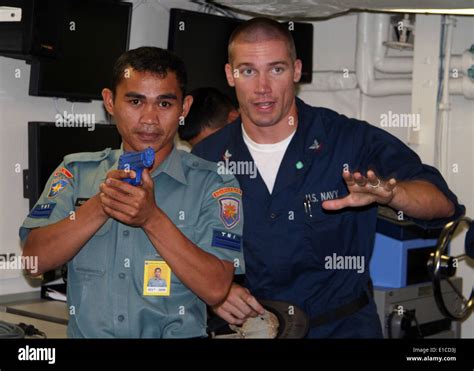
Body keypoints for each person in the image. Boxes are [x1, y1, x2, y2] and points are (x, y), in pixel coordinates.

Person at [192, 18, 465, 338]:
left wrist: (391, 195)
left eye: (276, 69)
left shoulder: (349, 141)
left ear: (296, 71)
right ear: (230, 75)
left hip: (342, 328)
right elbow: (179, 247)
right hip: (253, 330)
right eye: (248, 71)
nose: (262, 87)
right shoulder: (207, 158)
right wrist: (213, 293)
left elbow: (443, 204)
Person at [20, 47, 245, 338]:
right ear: (110, 102)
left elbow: (216, 289)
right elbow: (33, 261)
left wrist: (152, 219)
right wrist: (102, 204)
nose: (149, 118)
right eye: (135, 101)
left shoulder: (215, 183)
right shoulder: (76, 172)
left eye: (164, 104)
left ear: (184, 109)